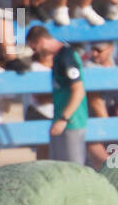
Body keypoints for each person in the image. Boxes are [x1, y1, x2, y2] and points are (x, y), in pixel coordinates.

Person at [27, 26, 87, 165]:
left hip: (72, 121)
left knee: (74, 170)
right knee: (60, 169)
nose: (36, 53)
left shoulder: (66, 56)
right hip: (61, 119)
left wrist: (63, 118)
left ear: (41, 41)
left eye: (34, 48)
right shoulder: (58, 57)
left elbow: (78, 90)